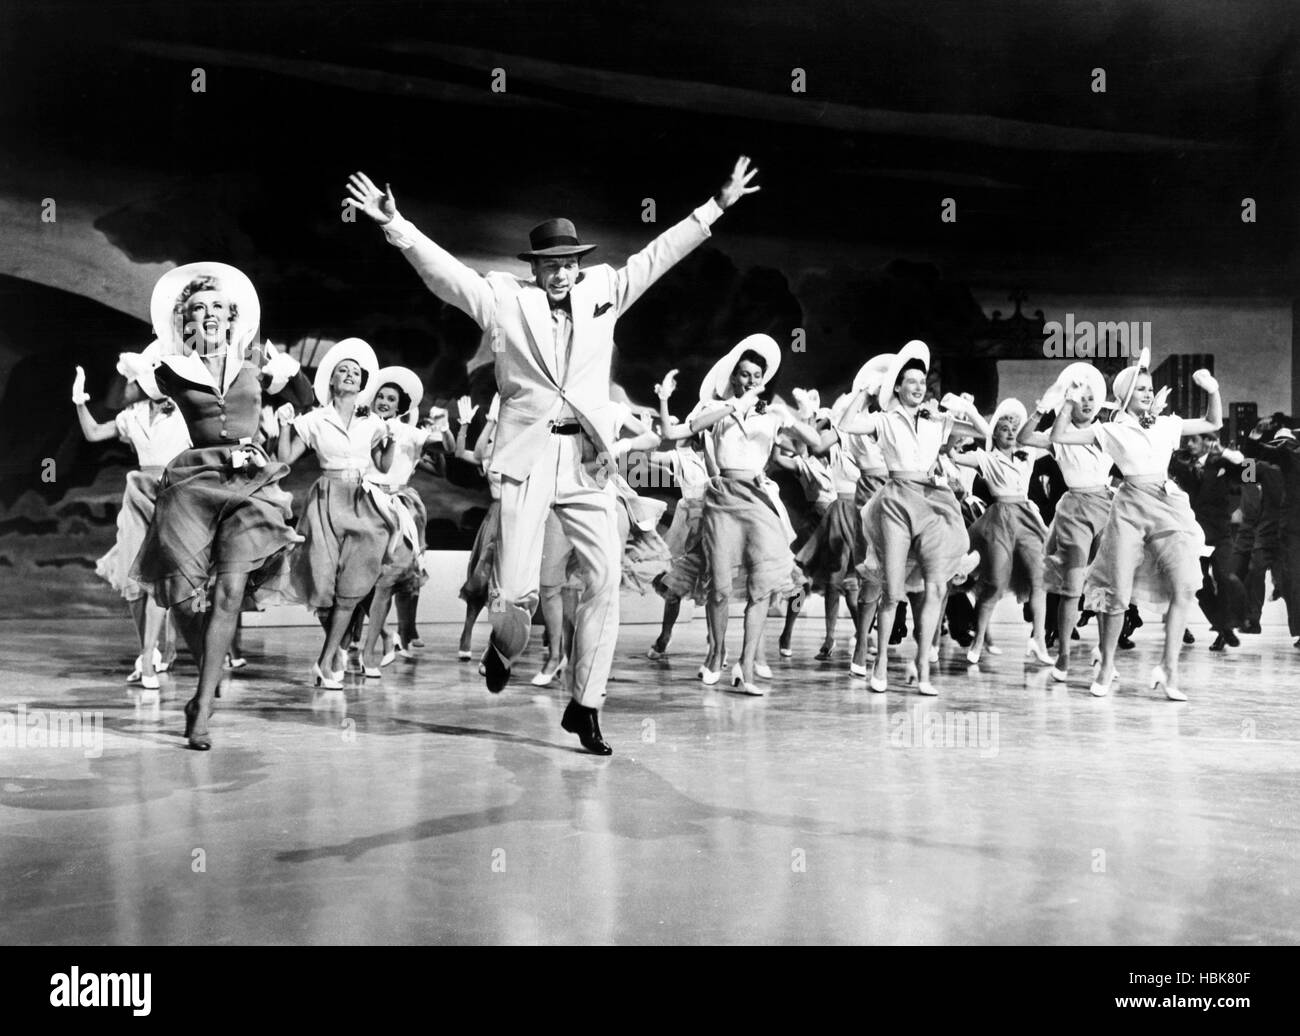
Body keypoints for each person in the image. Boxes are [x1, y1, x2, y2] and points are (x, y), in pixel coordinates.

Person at [344, 157, 760, 755]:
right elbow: (447, 276)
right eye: (550, 265)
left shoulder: (605, 291)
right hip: (528, 455)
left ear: (579, 265)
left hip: (587, 460)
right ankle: (503, 644)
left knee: (606, 579)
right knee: (515, 588)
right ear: (535, 268)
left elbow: (658, 256)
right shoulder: (503, 300)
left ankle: (585, 705)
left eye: (569, 263)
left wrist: (715, 207)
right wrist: (397, 224)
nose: (561, 274)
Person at [132, 262, 309, 749]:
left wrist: (289, 375)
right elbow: (131, 390)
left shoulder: (255, 365)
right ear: (186, 321)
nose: (209, 314)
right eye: (197, 309)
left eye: (217, 307)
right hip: (198, 481)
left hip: (251, 482)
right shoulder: (170, 369)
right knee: (185, 596)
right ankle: (205, 669)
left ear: (232, 317)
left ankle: (202, 705)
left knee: (231, 594)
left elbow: (306, 398)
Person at [1051, 348, 1223, 699]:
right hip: (1129, 506)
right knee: (1116, 588)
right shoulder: (1112, 430)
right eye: (1142, 388)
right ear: (1127, 395)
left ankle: (1169, 669)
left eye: (1150, 388)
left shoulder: (1166, 424)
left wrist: (1213, 390)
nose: (1148, 393)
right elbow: (1060, 436)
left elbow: (1212, 423)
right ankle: (1106, 664)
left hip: (1165, 503)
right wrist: (1068, 404)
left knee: (1185, 584)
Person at [663, 335, 819, 695]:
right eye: (745, 374)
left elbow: (816, 443)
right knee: (718, 587)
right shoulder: (714, 411)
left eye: (757, 376)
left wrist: (803, 415)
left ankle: (746, 666)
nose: (751, 381)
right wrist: (665, 399)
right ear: (734, 377)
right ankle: (716, 653)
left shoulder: (773, 415)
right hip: (722, 500)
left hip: (758, 500)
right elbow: (674, 432)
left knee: (763, 585)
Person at [837, 340, 983, 694]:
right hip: (895, 500)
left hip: (933, 501)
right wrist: (865, 392)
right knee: (893, 590)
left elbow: (983, 433)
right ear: (898, 387)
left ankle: (923, 669)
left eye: (923, 381)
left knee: (935, 586)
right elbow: (845, 423)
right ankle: (881, 663)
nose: (919, 387)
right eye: (911, 381)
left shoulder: (937, 421)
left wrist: (966, 409)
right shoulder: (884, 420)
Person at [278, 338, 397, 687]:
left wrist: (390, 440)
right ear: (331, 380)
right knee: (324, 585)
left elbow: (384, 466)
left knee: (353, 586)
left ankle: (328, 658)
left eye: (355, 372)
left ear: (362, 383)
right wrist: (285, 425)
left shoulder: (373, 422)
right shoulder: (315, 420)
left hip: (362, 501)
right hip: (327, 500)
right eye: (342, 371)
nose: (348, 375)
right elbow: (285, 460)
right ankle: (336, 651)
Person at [74, 346, 190, 688]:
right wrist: (80, 403)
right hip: (138, 494)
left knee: (156, 579)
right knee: (133, 580)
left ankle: (151, 658)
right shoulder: (133, 415)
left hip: (174, 494)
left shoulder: (184, 413)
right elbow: (94, 433)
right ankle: (148, 652)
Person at [1016, 362, 1114, 681]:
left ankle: (1105, 655)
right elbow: (1024, 436)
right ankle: (1064, 656)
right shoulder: (1059, 434)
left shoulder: (1109, 430)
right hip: (1074, 509)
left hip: (1107, 507)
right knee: (1072, 588)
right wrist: (1048, 406)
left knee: (1104, 586)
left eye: (1090, 397)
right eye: (1079, 397)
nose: (1086, 402)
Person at [354, 366, 446, 675]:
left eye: (390, 398)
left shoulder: (411, 433)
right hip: (363, 504)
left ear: (399, 405)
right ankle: (385, 635)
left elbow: (441, 463)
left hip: (396, 508)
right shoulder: (362, 426)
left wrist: (443, 433)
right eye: (380, 395)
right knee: (357, 584)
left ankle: (369, 652)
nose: (383, 401)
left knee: (386, 582)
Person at [952, 398, 1053, 666]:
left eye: (1014, 428)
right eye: (1004, 427)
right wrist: (965, 417)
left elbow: (1054, 442)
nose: (1010, 432)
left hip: (1027, 518)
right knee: (995, 581)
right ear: (994, 432)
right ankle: (979, 638)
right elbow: (955, 456)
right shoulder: (985, 457)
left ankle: (1039, 639)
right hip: (999, 520)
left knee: (1039, 579)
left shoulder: (1028, 452)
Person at [1170, 430, 1247, 650]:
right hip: (1194, 534)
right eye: (1188, 440)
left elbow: (1249, 471)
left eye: (1194, 440)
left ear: (1208, 442)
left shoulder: (1222, 462)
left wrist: (1224, 452)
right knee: (1199, 584)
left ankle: (1231, 624)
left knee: (1225, 577)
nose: (1190, 444)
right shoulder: (1181, 462)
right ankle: (1222, 627)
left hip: (1221, 533)